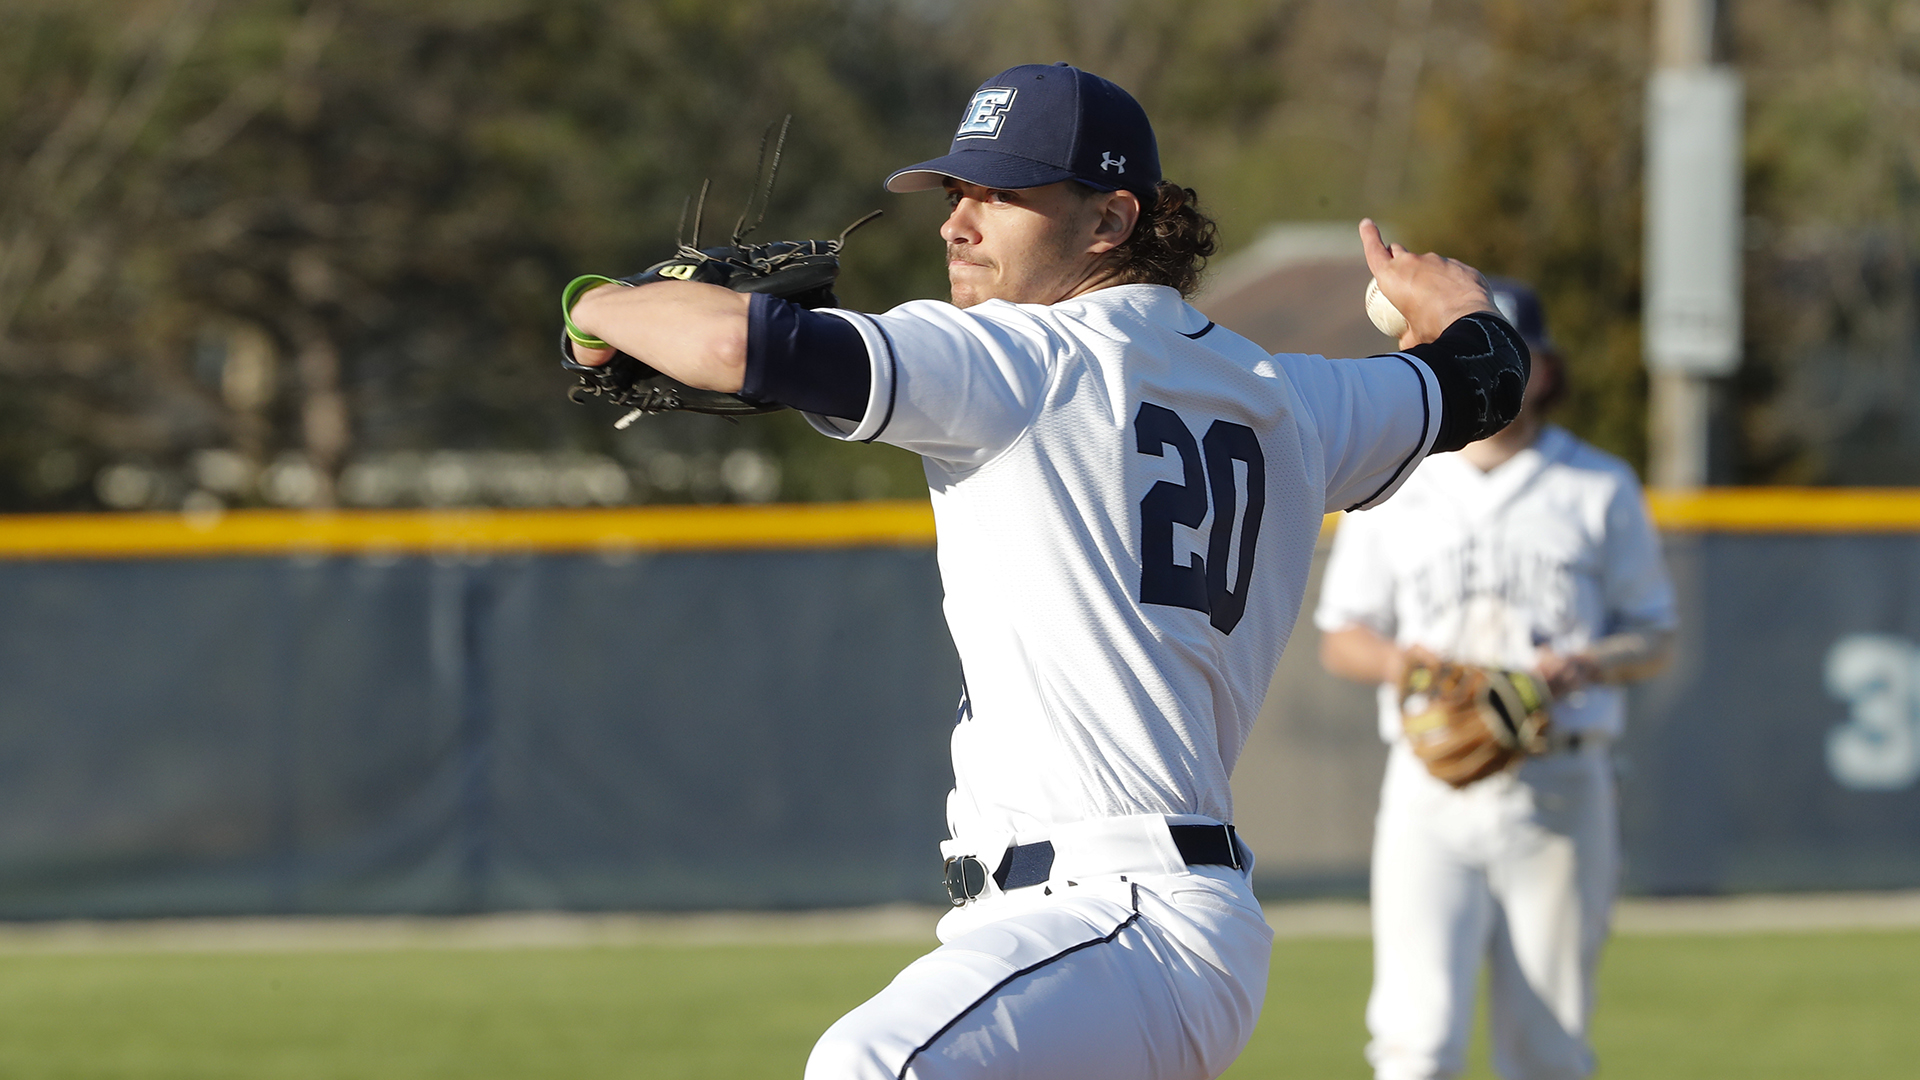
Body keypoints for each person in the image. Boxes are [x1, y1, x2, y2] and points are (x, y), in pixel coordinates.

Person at [566, 62, 1529, 1080]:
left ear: (1111, 217)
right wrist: (1459, 308)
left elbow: (729, 338)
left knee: (870, 1065)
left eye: (1001, 195)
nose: (957, 224)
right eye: (956, 193)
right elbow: (1480, 383)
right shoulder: (1289, 398)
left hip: (1120, 916)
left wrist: (596, 309)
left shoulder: (1017, 361)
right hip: (1106, 937)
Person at [1315, 280, 1677, 1080]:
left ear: (1543, 370)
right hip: (1429, 786)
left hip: (1560, 785)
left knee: (1548, 1050)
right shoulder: (1395, 482)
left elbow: (1653, 640)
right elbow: (1341, 638)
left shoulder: (1598, 484)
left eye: (1516, 352)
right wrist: (1414, 664)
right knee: (1417, 1042)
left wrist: (1586, 664)